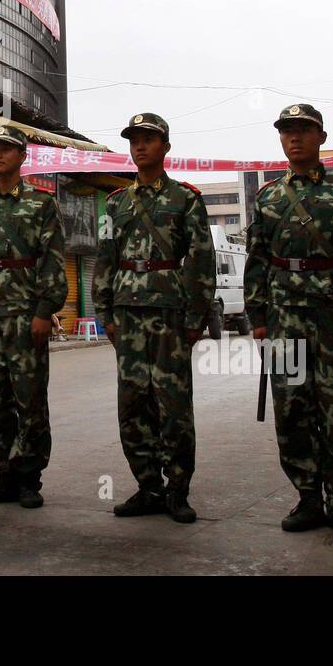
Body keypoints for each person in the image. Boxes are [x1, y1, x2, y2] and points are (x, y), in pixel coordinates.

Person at [245, 104, 333, 538]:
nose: (295, 138)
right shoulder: (267, 196)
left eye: (304, 130)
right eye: (287, 131)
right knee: (291, 408)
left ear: (321, 137)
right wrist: (259, 315)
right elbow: (258, 259)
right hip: (284, 315)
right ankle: (306, 495)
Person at [94, 113, 214, 523]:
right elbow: (105, 258)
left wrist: (196, 314)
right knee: (132, 404)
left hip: (170, 312)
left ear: (165, 146)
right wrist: (103, 311)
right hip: (127, 313)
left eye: (149, 139)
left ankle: (177, 490)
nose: (140, 145)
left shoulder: (186, 198)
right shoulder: (115, 204)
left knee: (173, 404)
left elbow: (201, 258)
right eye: (134, 139)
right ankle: (148, 487)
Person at [0, 124, 67, 509]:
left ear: (23, 156)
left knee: (29, 399)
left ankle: (28, 477)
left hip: (24, 318)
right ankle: (3, 472)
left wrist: (44, 310)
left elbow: (52, 261)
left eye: (6, 148)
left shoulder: (41, 204)